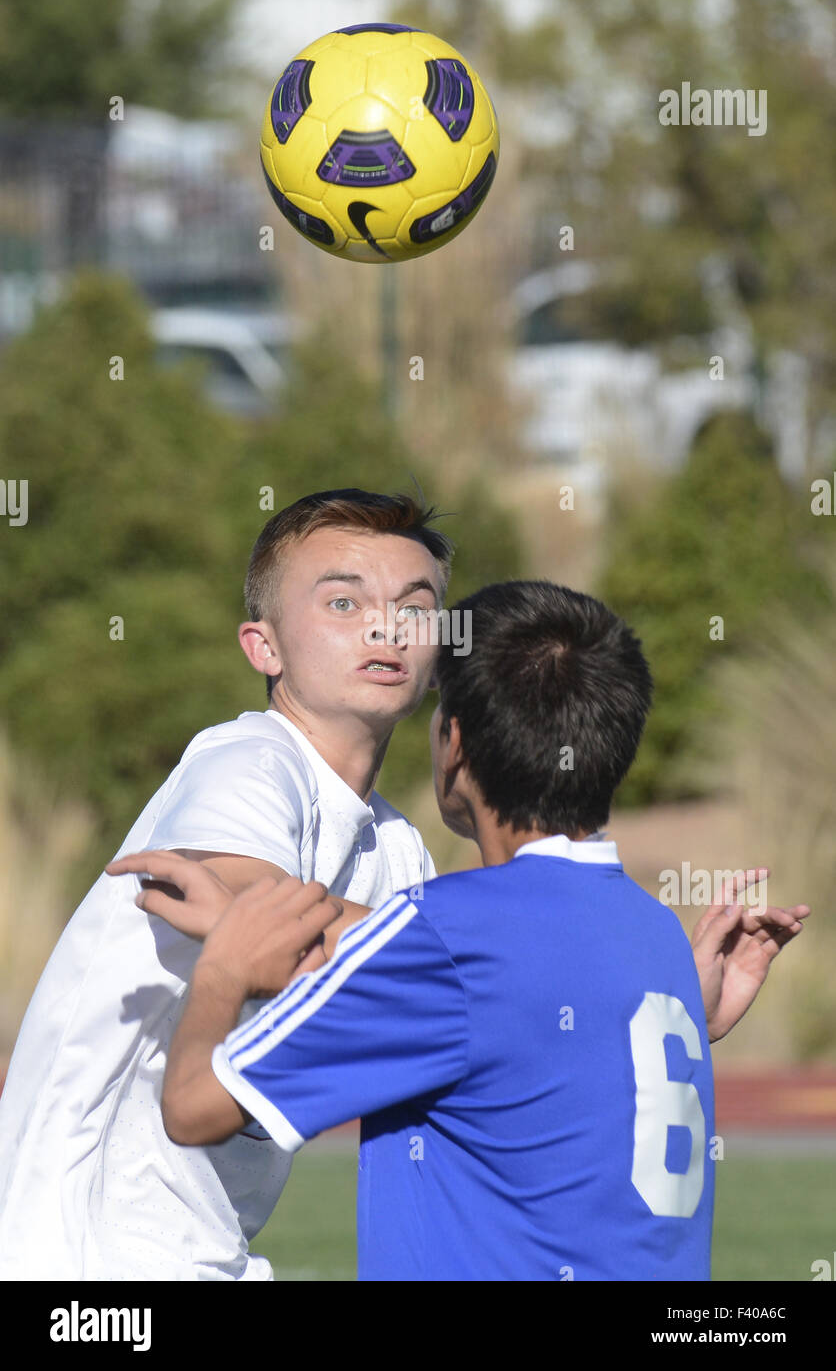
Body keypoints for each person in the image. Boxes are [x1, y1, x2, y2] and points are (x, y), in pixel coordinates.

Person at [115, 582, 809, 1281]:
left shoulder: (444, 932)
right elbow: (523, 1012)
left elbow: (194, 1107)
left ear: (454, 744)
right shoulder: (656, 935)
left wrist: (224, 968)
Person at [0, 489, 453, 1281]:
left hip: (205, 1255)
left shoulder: (399, 850)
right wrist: (492, 959)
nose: (385, 627)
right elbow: (269, 909)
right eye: (344, 601)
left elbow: (448, 1003)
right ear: (263, 647)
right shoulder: (250, 761)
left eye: (412, 608)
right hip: (74, 1252)